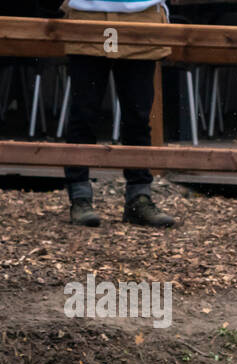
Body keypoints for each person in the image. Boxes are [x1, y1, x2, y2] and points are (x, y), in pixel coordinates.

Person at [61, 0, 175, 228]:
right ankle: (80, 197)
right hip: (88, 12)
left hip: (142, 14)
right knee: (84, 113)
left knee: (138, 115)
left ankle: (139, 197)